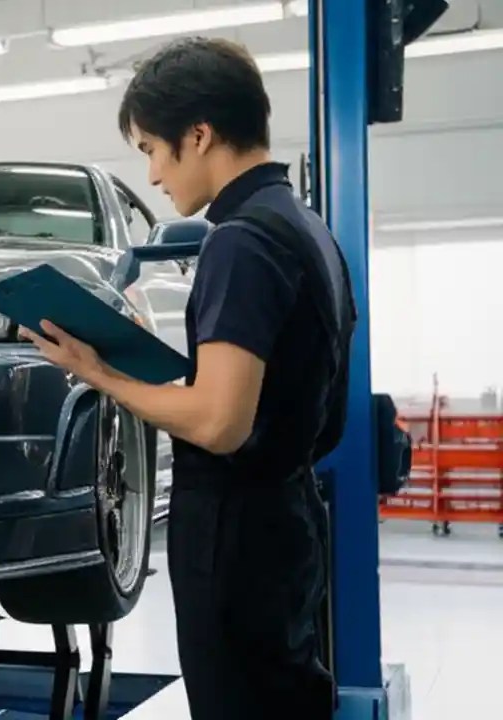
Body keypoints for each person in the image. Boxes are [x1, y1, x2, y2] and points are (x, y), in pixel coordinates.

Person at [20, 38, 353, 719]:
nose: (152, 175)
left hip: (238, 539)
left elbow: (218, 423)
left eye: (150, 149)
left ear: (198, 135)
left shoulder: (239, 241)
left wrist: (99, 372)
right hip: (286, 521)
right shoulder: (304, 227)